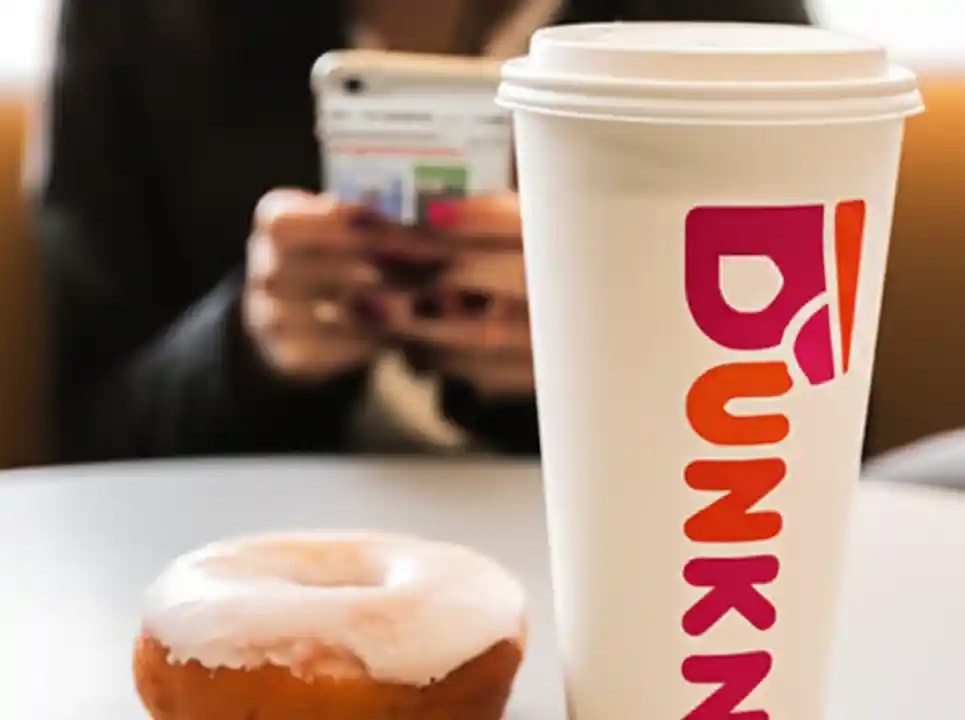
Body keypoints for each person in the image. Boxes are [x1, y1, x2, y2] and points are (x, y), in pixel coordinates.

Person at [33, 0, 813, 462]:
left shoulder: (726, 19)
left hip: (620, 578)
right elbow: (90, 433)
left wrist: (595, 372)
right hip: (257, 567)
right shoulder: (139, 22)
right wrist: (248, 350)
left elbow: (818, 417)